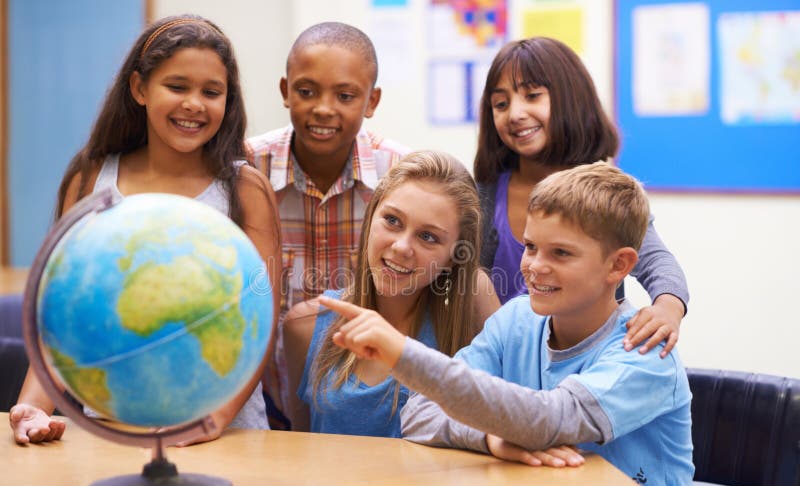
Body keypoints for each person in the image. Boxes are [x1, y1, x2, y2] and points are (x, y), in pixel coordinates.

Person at [320, 161, 701, 486]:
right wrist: (491, 439)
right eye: (531, 247)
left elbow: (553, 419)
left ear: (618, 266)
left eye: (561, 253)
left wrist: (402, 353)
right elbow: (418, 413)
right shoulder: (516, 320)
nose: (534, 266)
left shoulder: (647, 351)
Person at [10, 14, 281, 445]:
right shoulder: (90, 178)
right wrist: (34, 407)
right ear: (139, 88)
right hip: (112, 429)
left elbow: (262, 321)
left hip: (227, 437)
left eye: (212, 92)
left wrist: (210, 422)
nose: (195, 103)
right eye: (177, 87)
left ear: (228, 101)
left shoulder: (245, 189)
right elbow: (60, 314)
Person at [475, 37, 688, 357]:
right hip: (504, 370)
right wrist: (507, 355)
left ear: (570, 100)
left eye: (532, 96)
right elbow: (472, 278)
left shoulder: (603, 193)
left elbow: (657, 261)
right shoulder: (486, 193)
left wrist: (668, 308)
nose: (515, 113)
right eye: (501, 104)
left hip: (588, 364)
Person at [247, 22, 409, 426]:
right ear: (285, 91)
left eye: (345, 95)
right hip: (263, 398)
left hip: (370, 403)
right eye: (306, 91)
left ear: (371, 101)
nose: (323, 107)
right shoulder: (247, 170)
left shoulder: (401, 176)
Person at [282, 151, 503, 438]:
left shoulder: (472, 306)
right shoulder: (305, 327)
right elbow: (300, 448)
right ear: (371, 216)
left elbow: (505, 422)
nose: (401, 247)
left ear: (453, 257)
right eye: (392, 220)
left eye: (428, 237)